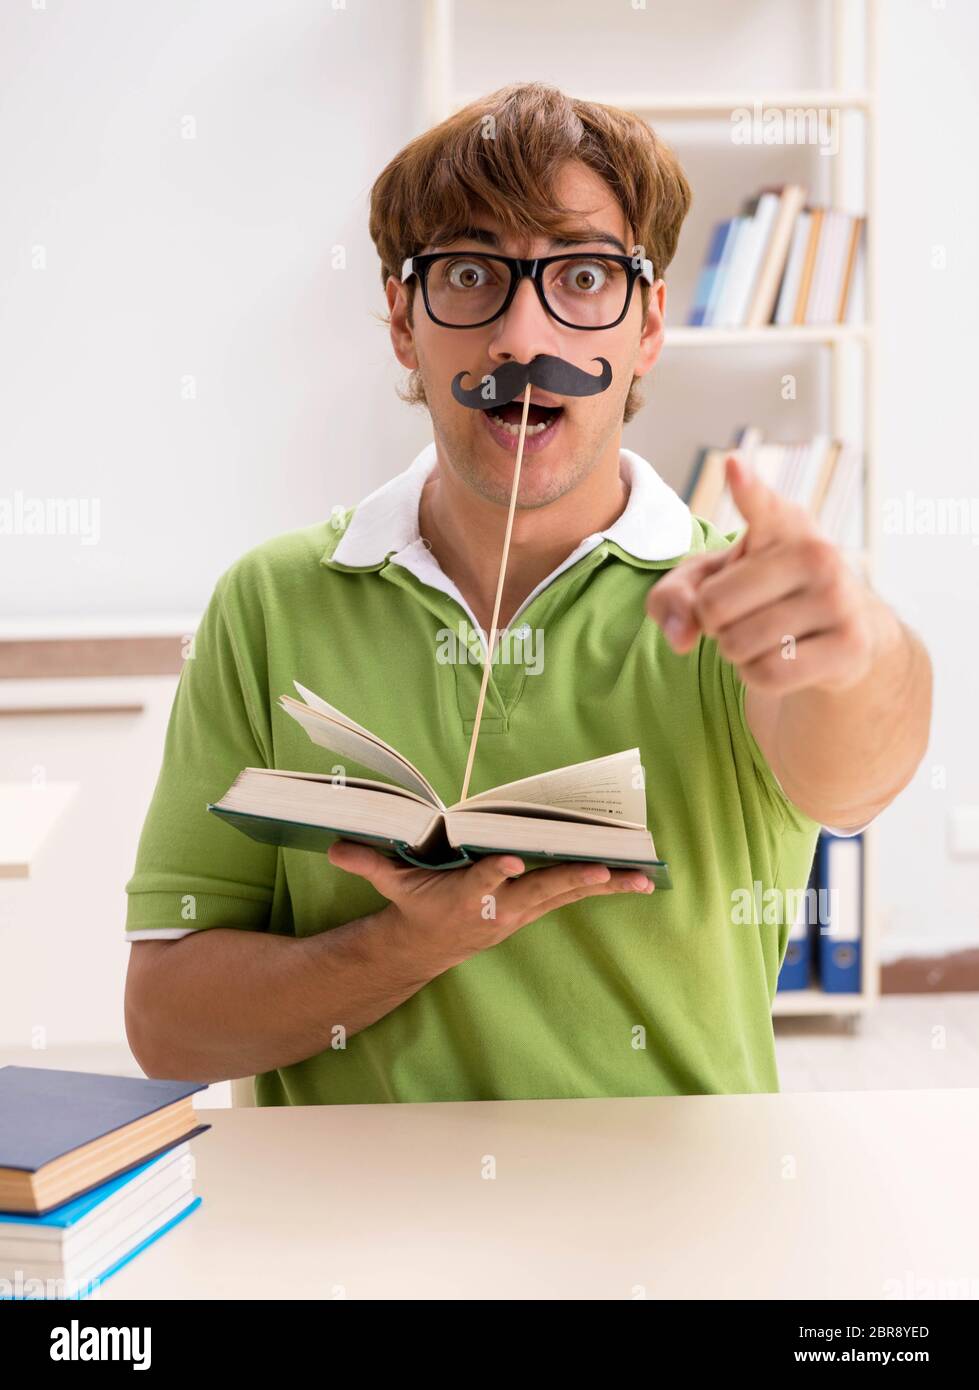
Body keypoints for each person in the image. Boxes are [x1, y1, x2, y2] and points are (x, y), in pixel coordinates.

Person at [124, 82, 931, 1103]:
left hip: (670, 1239)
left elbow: (858, 769)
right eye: (469, 274)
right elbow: (167, 1026)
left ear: (646, 326)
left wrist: (863, 650)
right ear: (401, 320)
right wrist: (406, 945)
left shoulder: (729, 606)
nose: (517, 336)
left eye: (582, 276)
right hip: (351, 1245)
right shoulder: (268, 602)